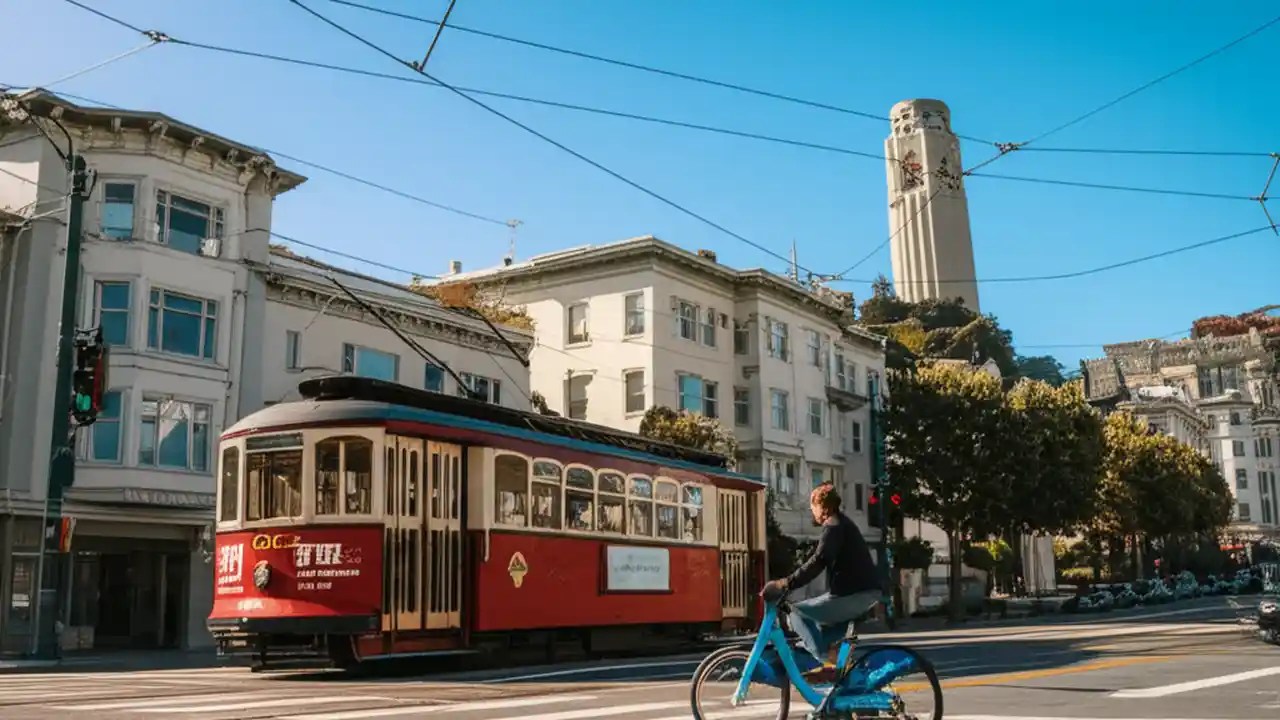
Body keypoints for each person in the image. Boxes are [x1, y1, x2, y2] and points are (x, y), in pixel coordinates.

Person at [763, 483, 881, 683]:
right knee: (824, 635)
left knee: (797, 612)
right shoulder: (842, 524)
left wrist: (785, 583)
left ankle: (825, 664)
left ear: (823, 507)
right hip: (860, 592)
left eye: (813, 506)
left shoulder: (833, 527)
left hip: (855, 595)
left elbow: (818, 562)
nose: (812, 510)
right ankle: (842, 681)